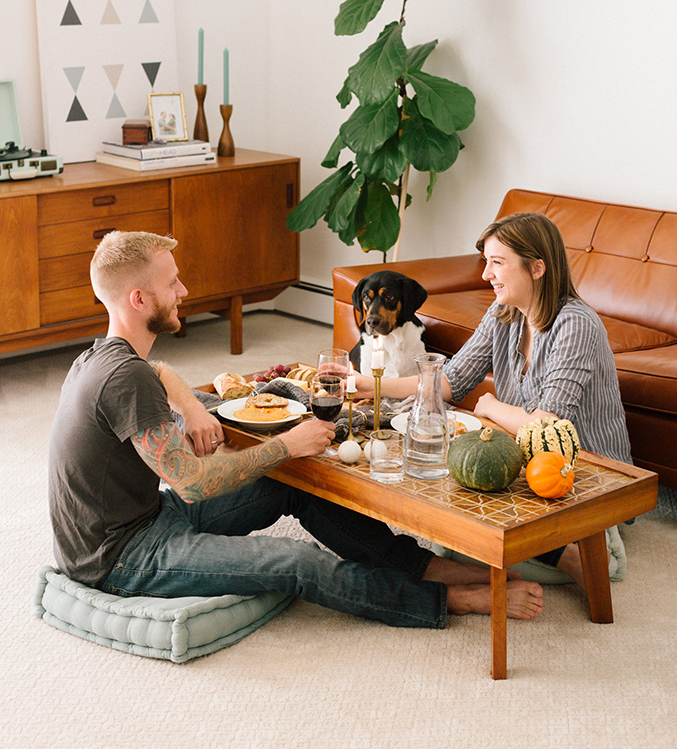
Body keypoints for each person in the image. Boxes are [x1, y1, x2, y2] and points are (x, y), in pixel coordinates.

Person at [48, 230, 544, 631]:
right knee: (295, 560)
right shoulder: (124, 377)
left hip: (151, 518)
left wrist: (193, 408)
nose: (183, 291)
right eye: (172, 283)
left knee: (297, 485)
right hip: (120, 557)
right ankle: (446, 599)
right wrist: (286, 444)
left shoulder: (105, 356)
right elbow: (193, 483)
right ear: (138, 298)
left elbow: (156, 374)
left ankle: (422, 564)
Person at [354, 212, 634, 587]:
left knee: (456, 539)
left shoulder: (575, 324)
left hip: (586, 472)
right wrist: (366, 385)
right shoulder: (503, 312)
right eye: (487, 262)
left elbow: (548, 425)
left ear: (537, 268)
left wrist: (487, 406)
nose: (486, 274)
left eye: (497, 263)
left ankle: (584, 551)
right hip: (525, 459)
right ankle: (525, 551)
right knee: (446, 499)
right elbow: (450, 381)